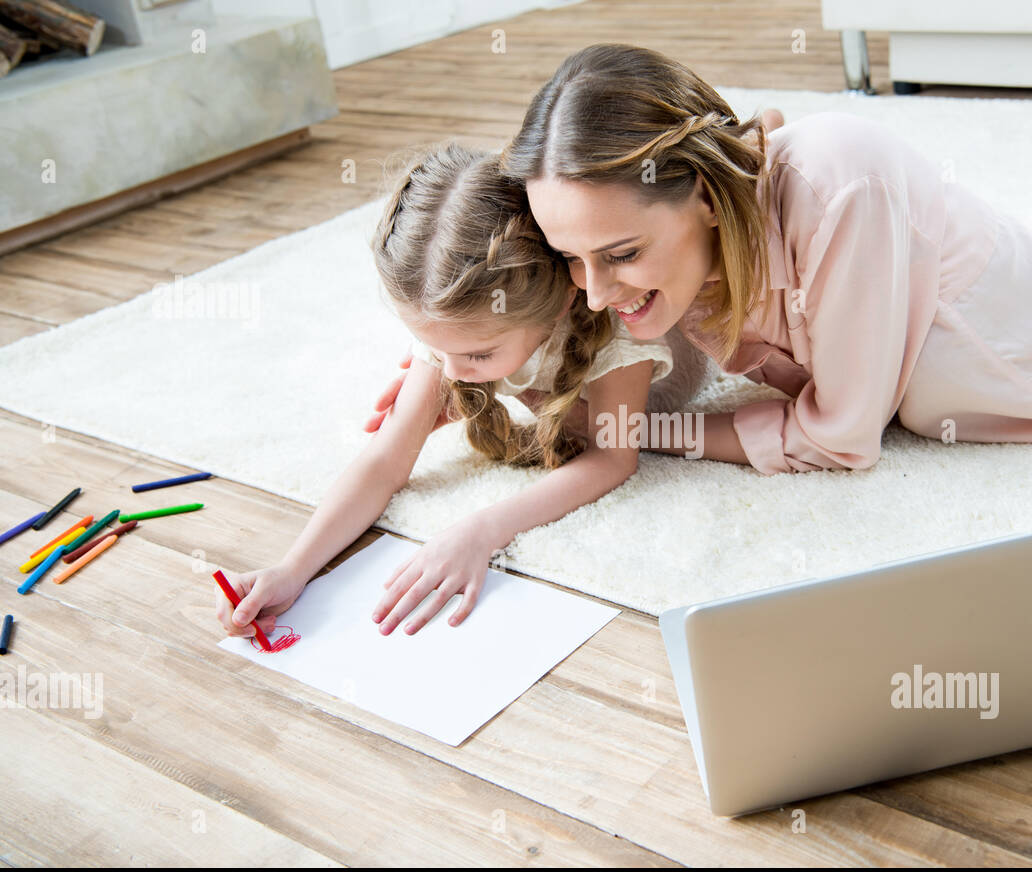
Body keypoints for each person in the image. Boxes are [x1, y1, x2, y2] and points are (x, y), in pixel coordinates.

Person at [370, 43, 1032, 474]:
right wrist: (476, 371)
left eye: (617, 255)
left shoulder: (840, 184)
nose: (598, 292)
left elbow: (837, 436)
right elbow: (648, 363)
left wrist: (630, 436)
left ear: (697, 192)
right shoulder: (672, 258)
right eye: (573, 263)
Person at [213, 141, 706, 641]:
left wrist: (483, 529)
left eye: (477, 357)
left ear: (557, 304)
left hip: (667, 379)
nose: (449, 372)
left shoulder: (615, 321)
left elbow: (613, 457)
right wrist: (292, 569)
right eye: (434, 349)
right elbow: (384, 460)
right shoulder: (458, 329)